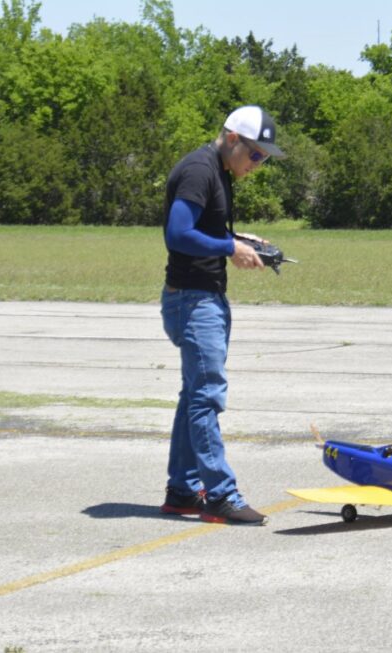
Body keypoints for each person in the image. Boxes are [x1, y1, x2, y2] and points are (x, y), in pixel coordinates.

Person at [158, 105, 286, 526]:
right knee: (207, 396)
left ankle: (181, 489)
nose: (258, 164)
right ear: (232, 138)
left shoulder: (217, 172)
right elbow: (177, 234)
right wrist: (230, 248)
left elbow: (204, 231)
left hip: (200, 298)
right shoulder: (200, 170)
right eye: (255, 154)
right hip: (193, 303)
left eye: (264, 158)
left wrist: (240, 239)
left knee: (193, 395)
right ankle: (219, 494)